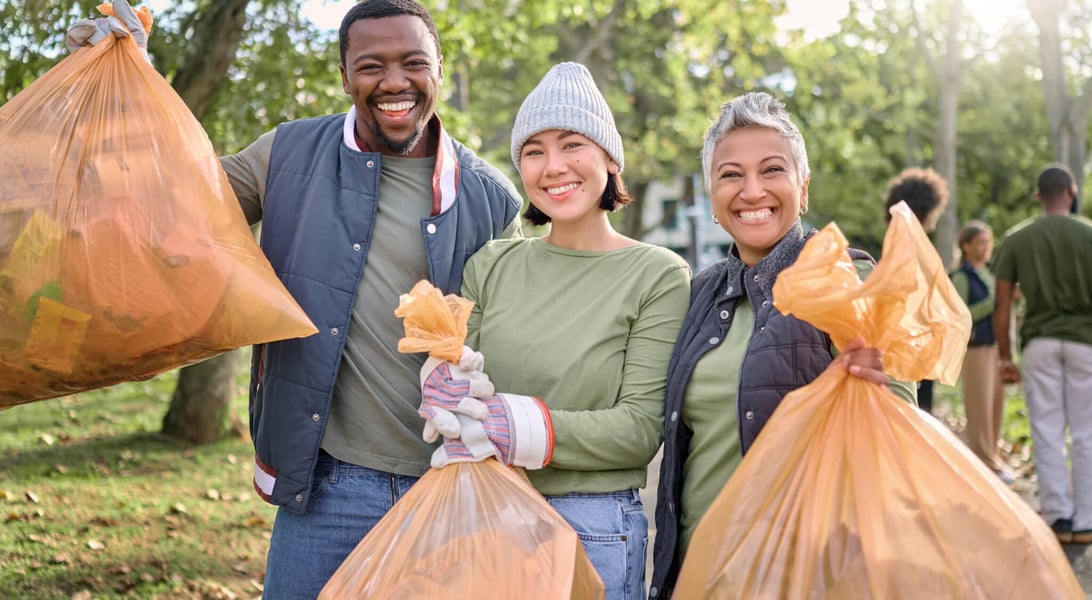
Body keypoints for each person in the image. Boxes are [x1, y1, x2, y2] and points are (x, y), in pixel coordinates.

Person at [67, 1, 524, 596]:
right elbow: (168, 198)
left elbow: (519, 340)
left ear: (439, 68)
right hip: (326, 487)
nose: (393, 82)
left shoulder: (491, 198)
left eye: (414, 62)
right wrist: (123, 85)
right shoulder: (284, 156)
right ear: (343, 77)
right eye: (371, 65)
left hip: (446, 486)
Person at [418, 62, 691, 600]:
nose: (553, 166)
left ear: (610, 158)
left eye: (572, 145)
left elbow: (639, 429)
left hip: (592, 529)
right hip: (482, 516)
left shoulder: (658, 273)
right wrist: (443, 389)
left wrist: (512, 424)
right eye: (534, 151)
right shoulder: (492, 264)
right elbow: (460, 371)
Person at [647, 91, 917, 599]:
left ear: (803, 186)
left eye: (772, 170)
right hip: (697, 573)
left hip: (802, 574)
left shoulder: (847, 280)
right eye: (731, 175)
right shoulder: (698, 292)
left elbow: (897, 417)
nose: (752, 191)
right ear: (711, 194)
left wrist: (875, 388)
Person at [993, 163, 1092, 545]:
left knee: (1048, 429)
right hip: (1086, 342)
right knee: (1086, 432)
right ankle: (1086, 520)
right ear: (1070, 190)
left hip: (1041, 344)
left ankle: (1058, 517)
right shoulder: (1088, 234)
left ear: (1038, 196)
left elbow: (1003, 306)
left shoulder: (1018, 239)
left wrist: (1005, 357)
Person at [883, 167, 950, 414]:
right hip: (911, 340)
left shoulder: (893, 243)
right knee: (917, 412)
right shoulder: (913, 247)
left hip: (899, 341)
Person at [950, 221, 1013, 483]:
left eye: (989, 242)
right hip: (975, 348)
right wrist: (996, 301)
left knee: (996, 405)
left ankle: (992, 458)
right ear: (966, 246)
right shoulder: (962, 277)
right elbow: (962, 314)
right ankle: (983, 463)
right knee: (979, 406)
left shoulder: (991, 272)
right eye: (981, 243)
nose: (987, 248)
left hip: (996, 347)